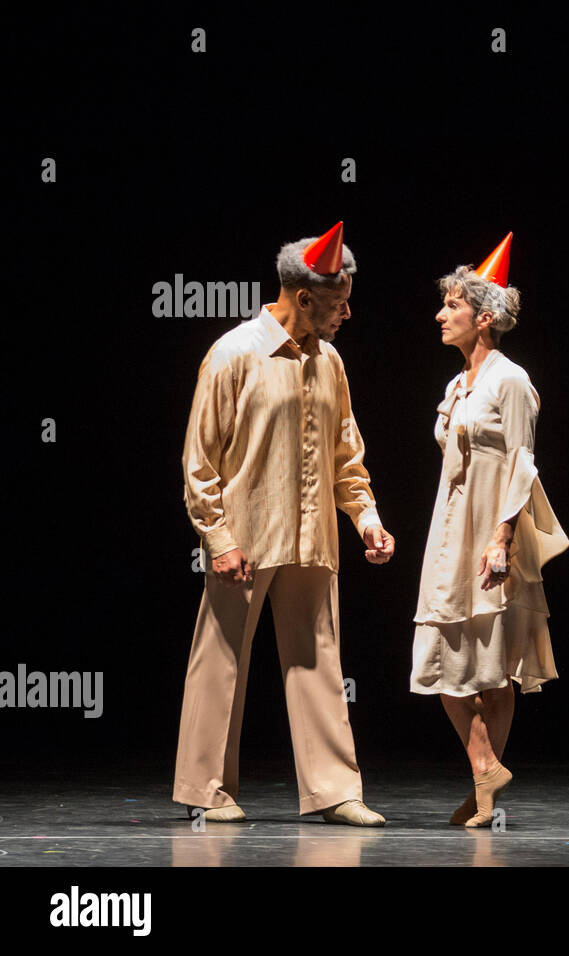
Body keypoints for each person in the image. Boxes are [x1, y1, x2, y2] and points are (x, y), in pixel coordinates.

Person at [175, 222, 394, 826]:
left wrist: (366, 518)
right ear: (303, 297)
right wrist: (217, 537)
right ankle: (205, 787)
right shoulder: (235, 352)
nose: (346, 313)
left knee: (319, 657)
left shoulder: (332, 363)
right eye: (339, 301)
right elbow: (200, 459)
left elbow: (346, 453)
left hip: (314, 536)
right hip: (244, 538)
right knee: (220, 660)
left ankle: (333, 790)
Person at [411, 233, 569, 827]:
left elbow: (524, 463)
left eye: (451, 305)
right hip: (448, 533)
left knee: (494, 671)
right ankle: (485, 765)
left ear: (484, 318)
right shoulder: (456, 386)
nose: (440, 314)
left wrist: (502, 537)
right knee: (438, 656)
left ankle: (484, 792)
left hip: (491, 532)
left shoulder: (511, 380)